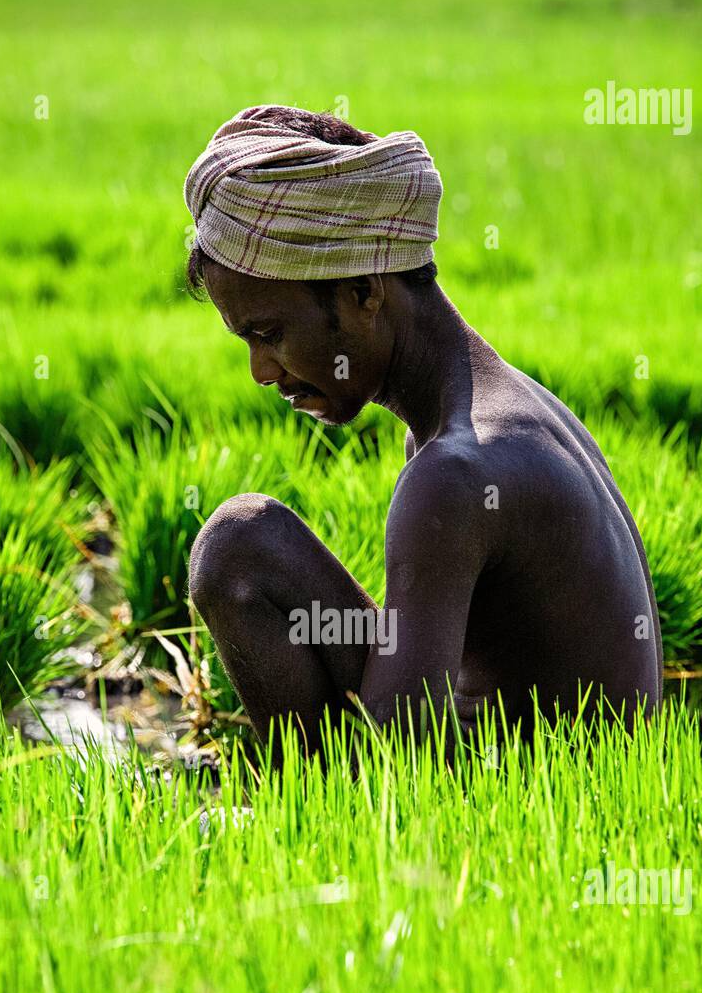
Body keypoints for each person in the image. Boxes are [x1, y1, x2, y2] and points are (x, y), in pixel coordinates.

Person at [183, 105, 662, 756]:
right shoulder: (506, 410)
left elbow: (402, 750)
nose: (261, 372)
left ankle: (309, 820)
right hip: (560, 795)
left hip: (527, 822)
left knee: (241, 545)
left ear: (362, 291)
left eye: (269, 335)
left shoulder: (457, 471)